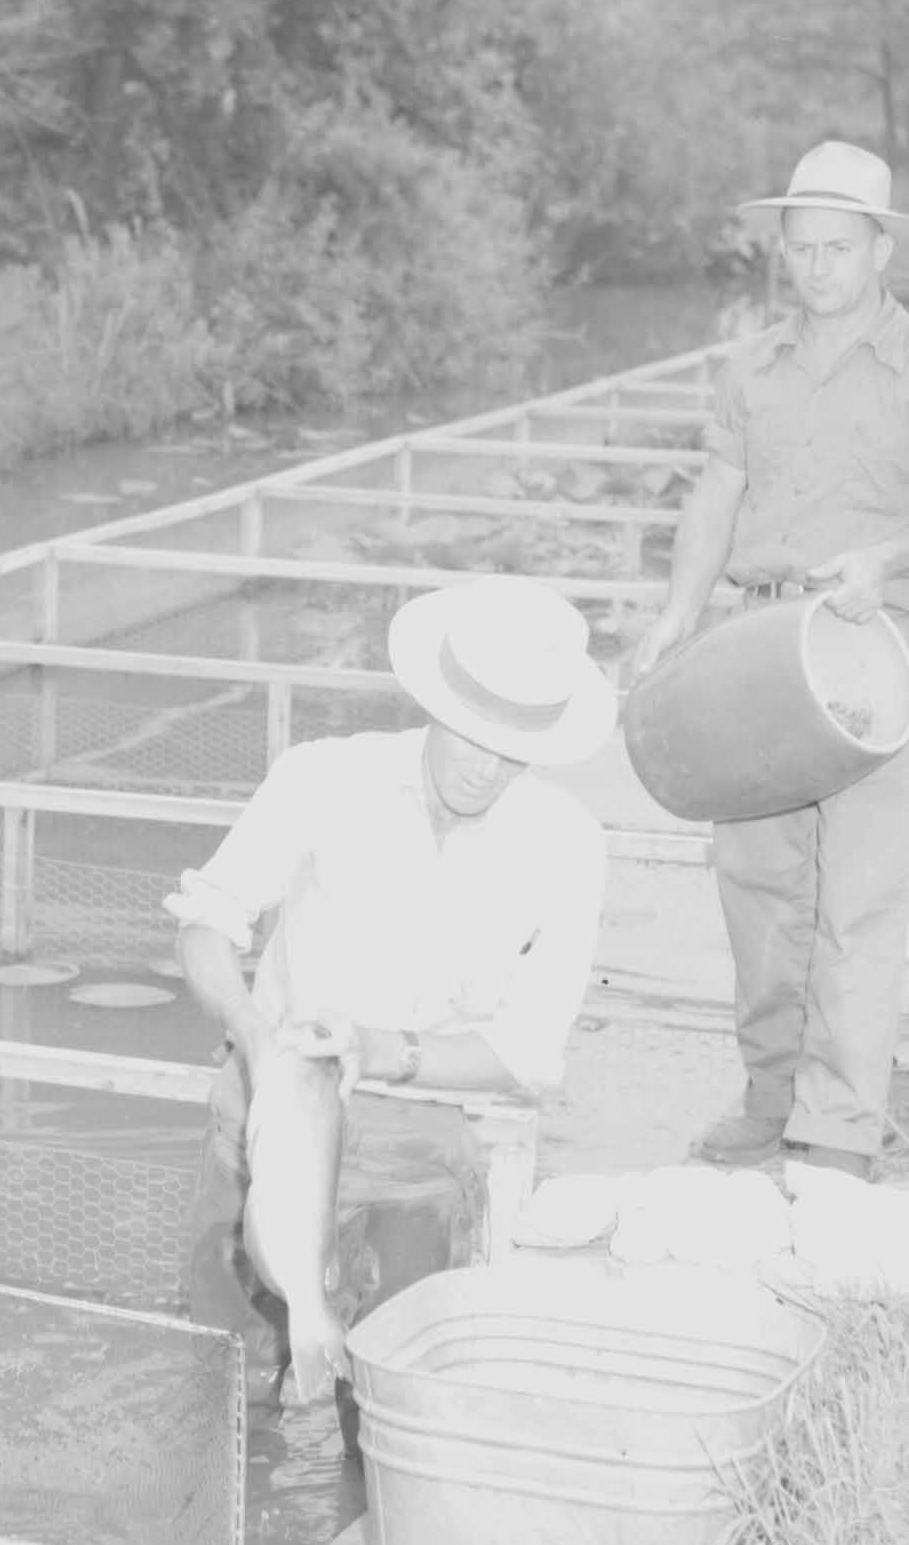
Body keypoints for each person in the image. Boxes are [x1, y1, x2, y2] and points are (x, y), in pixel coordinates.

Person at [623, 141, 909, 1182]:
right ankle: (768, 1096)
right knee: (754, 880)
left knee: (858, 891)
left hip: (878, 645)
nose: (818, 266)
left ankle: (838, 1126)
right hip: (761, 644)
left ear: (882, 249)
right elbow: (715, 495)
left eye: (839, 246)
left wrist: (889, 558)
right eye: (801, 247)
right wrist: (674, 615)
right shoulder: (751, 366)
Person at [166, 574, 615, 1396]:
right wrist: (250, 1029)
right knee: (219, 1390)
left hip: (421, 1155)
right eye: (472, 735)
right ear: (434, 705)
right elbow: (207, 920)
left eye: (514, 750)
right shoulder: (323, 777)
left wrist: (383, 1051)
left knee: (397, 1404)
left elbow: (527, 1049)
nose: (485, 768)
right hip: (271, 1118)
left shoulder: (568, 844)